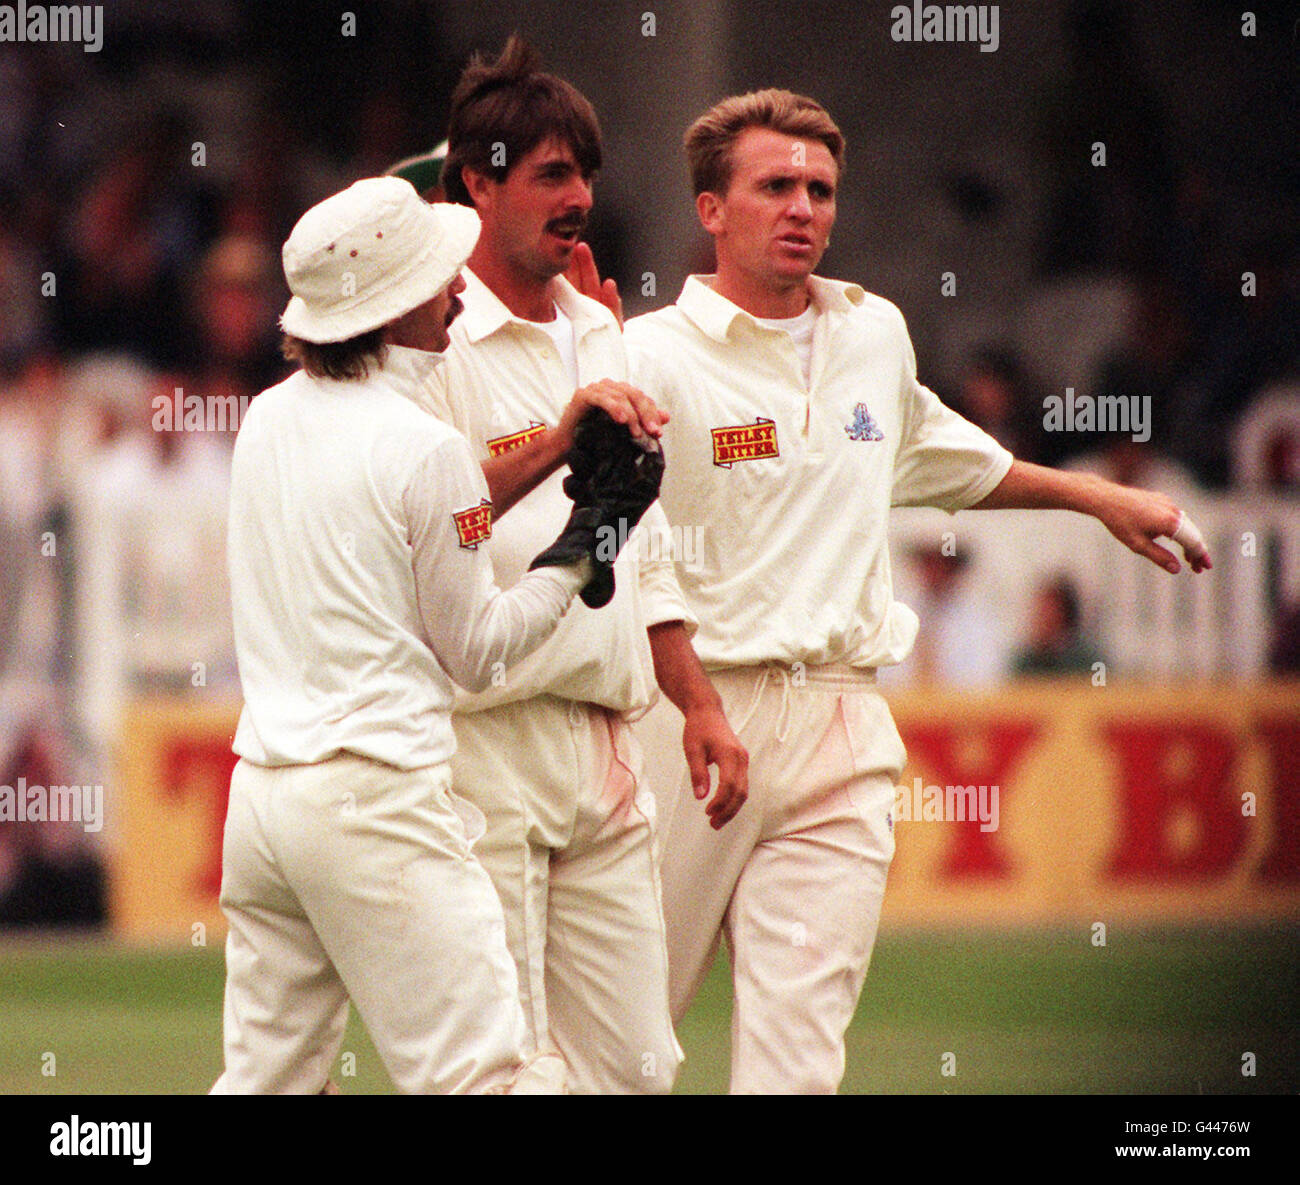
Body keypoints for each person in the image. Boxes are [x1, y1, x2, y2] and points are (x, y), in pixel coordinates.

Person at [622, 88, 1212, 1094]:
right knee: (620, 1049)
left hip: (844, 720)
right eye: (775, 186)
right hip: (687, 721)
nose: (803, 206)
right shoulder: (647, 358)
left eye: (820, 189)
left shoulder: (873, 333)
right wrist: (697, 701)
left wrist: (1094, 499)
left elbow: (943, 453)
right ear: (711, 210)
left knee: (797, 1069)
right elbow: (628, 542)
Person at [213, 176, 645, 1094]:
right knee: (483, 1077)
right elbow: (479, 649)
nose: (458, 286)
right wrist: (584, 547)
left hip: (260, 804)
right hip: (378, 800)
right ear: (396, 302)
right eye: (441, 273)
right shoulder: (425, 447)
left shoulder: (264, 417)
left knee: (267, 1085)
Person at [417, 37, 747, 1094]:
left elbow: (634, 532)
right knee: (503, 1068)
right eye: (551, 174)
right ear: (479, 182)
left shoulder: (597, 328)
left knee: (637, 1071)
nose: (578, 199)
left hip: (603, 740)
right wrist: (556, 434)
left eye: (585, 175)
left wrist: (693, 700)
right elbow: (428, 512)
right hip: (483, 740)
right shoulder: (428, 340)